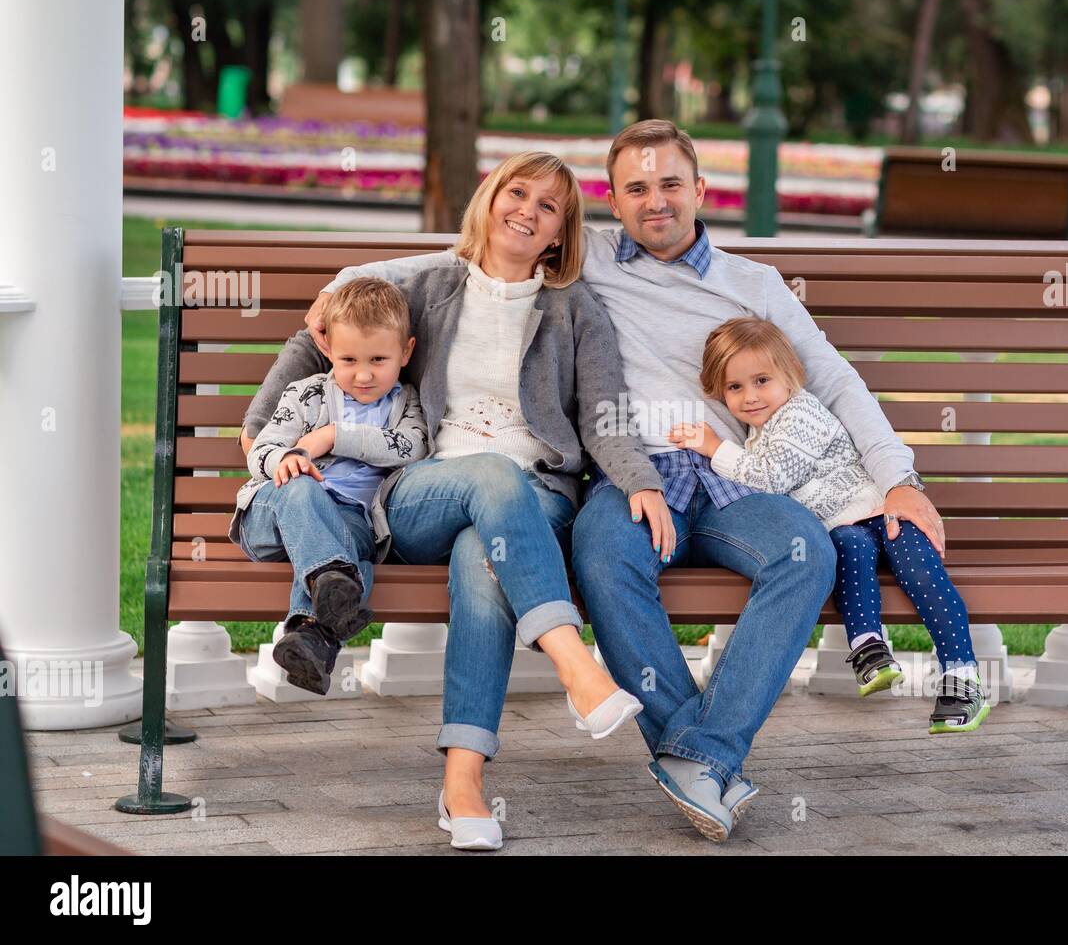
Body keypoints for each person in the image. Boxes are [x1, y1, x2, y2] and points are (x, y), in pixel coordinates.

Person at [289, 120, 945, 844]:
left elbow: (835, 381)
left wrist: (900, 479)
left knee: (805, 554)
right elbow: (453, 263)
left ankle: (701, 753)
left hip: (733, 478)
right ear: (613, 199)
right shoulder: (581, 257)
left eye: (670, 183)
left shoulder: (752, 286)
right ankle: (688, 754)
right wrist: (345, 282)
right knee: (602, 554)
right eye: (636, 187)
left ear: (699, 190)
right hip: (632, 479)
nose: (654, 200)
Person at [240, 151, 668, 851]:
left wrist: (639, 478)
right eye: (516, 191)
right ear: (490, 198)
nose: (527, 210)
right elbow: (332, 329)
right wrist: (262, 428)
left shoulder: (573, 308)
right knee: (489, 477)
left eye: (548, 205)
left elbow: (604, 415)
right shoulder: (432, 285)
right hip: (423, 489)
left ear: (561, 231)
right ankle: (575, 666)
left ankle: (463, 784)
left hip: (534, 500)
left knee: (484, 550)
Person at [668, 316, 989, 735]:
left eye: (761, 380)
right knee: (848, 553)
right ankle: (870, 652)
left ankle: (962, 676)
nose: (750, 396)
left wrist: (714, 448)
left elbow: (771, 478)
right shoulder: (759, 432)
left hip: (883, 513)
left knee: (923, 576)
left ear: (791, 376)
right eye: (735, 387)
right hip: (844, 526)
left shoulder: (800, 413)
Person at [233, 277, 428, 696]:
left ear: (406, 351)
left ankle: (311, 636)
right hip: (276, 513)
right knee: (305, 489)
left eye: (378, 359)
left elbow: (412, 446)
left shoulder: (405, 404)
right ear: (327, 352)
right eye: (348, 359)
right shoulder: (306, 396)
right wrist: (283, 460)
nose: (362, 374)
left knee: (351, 546)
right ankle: (334, 581)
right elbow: (261, 446)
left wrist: (336, 435)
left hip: (348, 523)